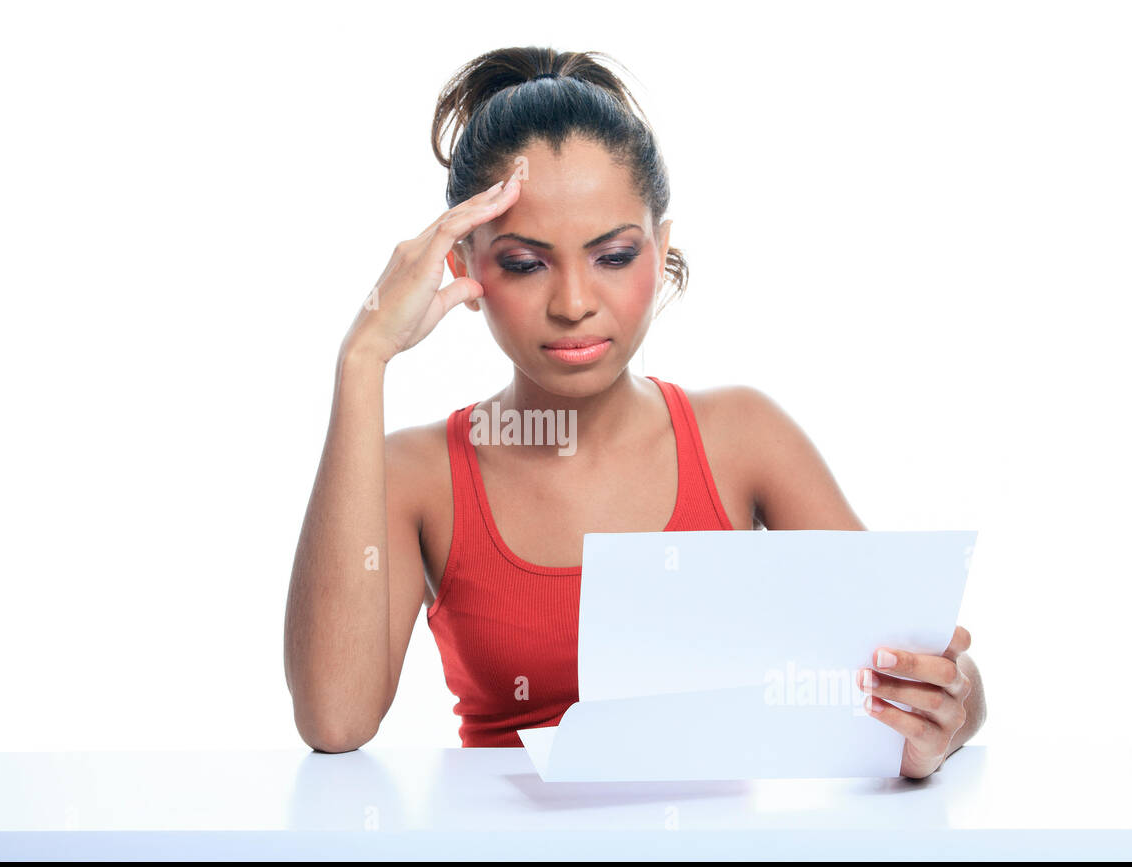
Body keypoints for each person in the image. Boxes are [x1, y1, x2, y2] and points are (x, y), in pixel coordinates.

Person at [284, 46, 985, 778]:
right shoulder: (416, 475)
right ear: (463, 267)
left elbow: (923, 671)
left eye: (614, 255)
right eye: (525, 263)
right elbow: (335, 721)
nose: (575, 303)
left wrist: (947, 712)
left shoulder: (744, 439)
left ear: (661, 248)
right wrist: (362, 359)